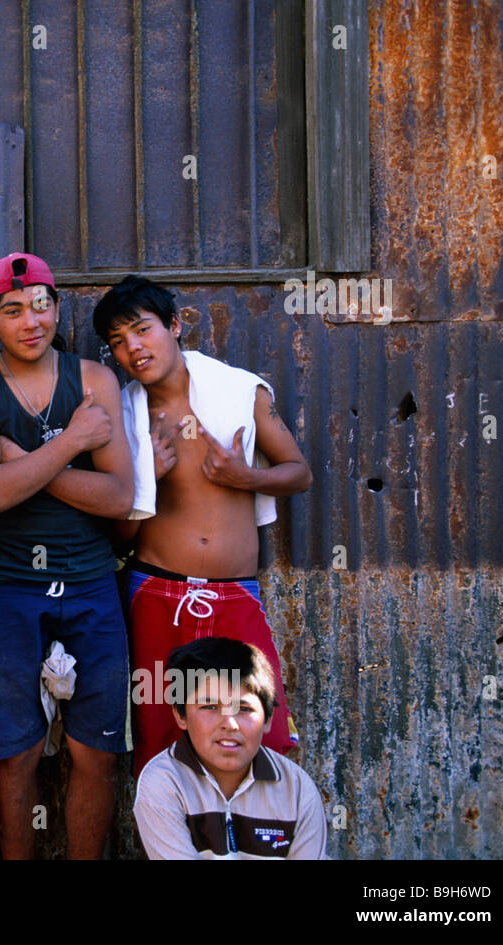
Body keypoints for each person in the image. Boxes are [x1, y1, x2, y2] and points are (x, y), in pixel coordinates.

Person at [0, 253, 135, 860]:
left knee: (97, 751)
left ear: (57, 306)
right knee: (12, 752)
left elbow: (118, 497)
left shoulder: (95, 379)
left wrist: (19, 460)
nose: (31, 321)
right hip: (2, 588)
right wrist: (74, 444)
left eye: (42, 305)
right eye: (12, 310)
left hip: (90, 583)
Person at [93, 275, 312, 777]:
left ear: (173, 325)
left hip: (235, 595)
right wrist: (147, 483)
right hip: (156, 591)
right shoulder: (124, 415)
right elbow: (116, 538)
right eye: (118, 343)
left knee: (262, 739)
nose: (133, 349)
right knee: (162, 740)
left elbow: (299, 472)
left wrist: (245, 475)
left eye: (142, 330)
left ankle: (248, 853)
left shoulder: (238, 390)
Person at [132, 637, 327, 859]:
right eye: (210, 706)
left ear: (268, 719)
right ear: (180, 715)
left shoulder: (297, 789)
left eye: (244, 708)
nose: (229, 723)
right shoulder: (164, 783)